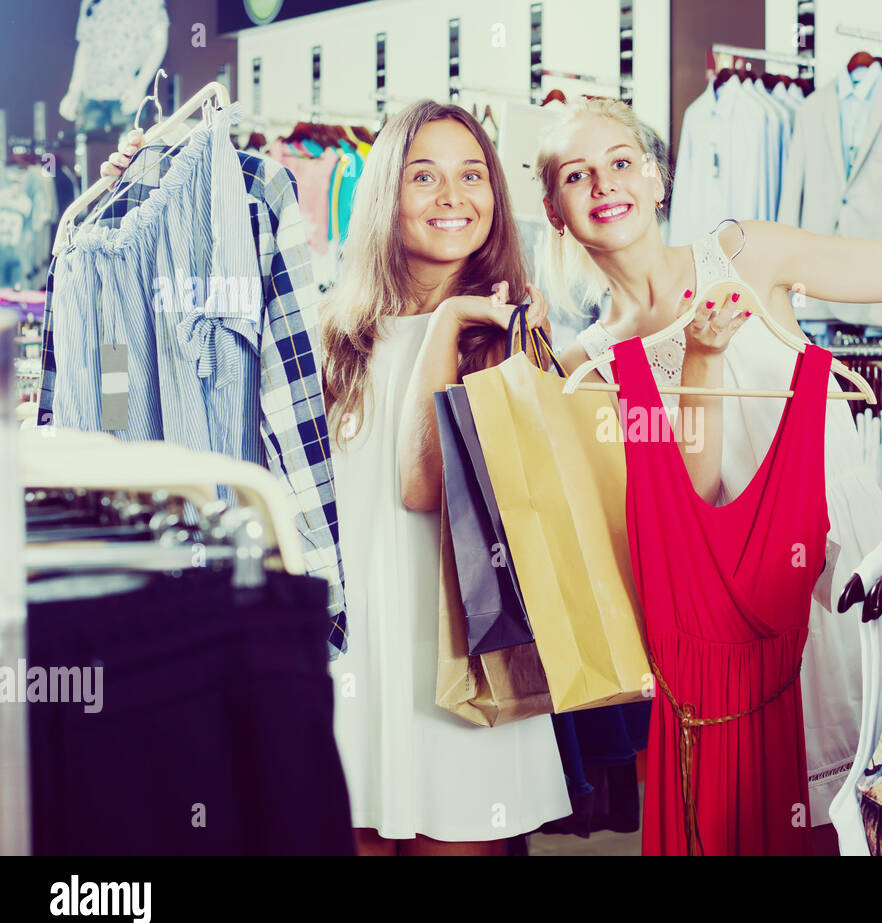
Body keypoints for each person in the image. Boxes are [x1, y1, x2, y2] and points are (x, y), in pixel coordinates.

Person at [535, 62, 882, 853]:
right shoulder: (590, 360)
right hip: (734, 638)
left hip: (849, 583)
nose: (604, 184)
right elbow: (694, 502)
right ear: (555, 209)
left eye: (621, 161)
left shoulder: (748, 256)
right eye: (576, 174)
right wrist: (697, 358)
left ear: (658, 178)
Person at [101, 100, 572, 857]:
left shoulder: (511, 335)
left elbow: (427, 488)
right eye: (425, 175)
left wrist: (450, 326)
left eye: (472, 174)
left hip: (456, 661)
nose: (453, 196)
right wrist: (133, 203)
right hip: (348, 658)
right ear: (385, 191)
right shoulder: (326, 331)